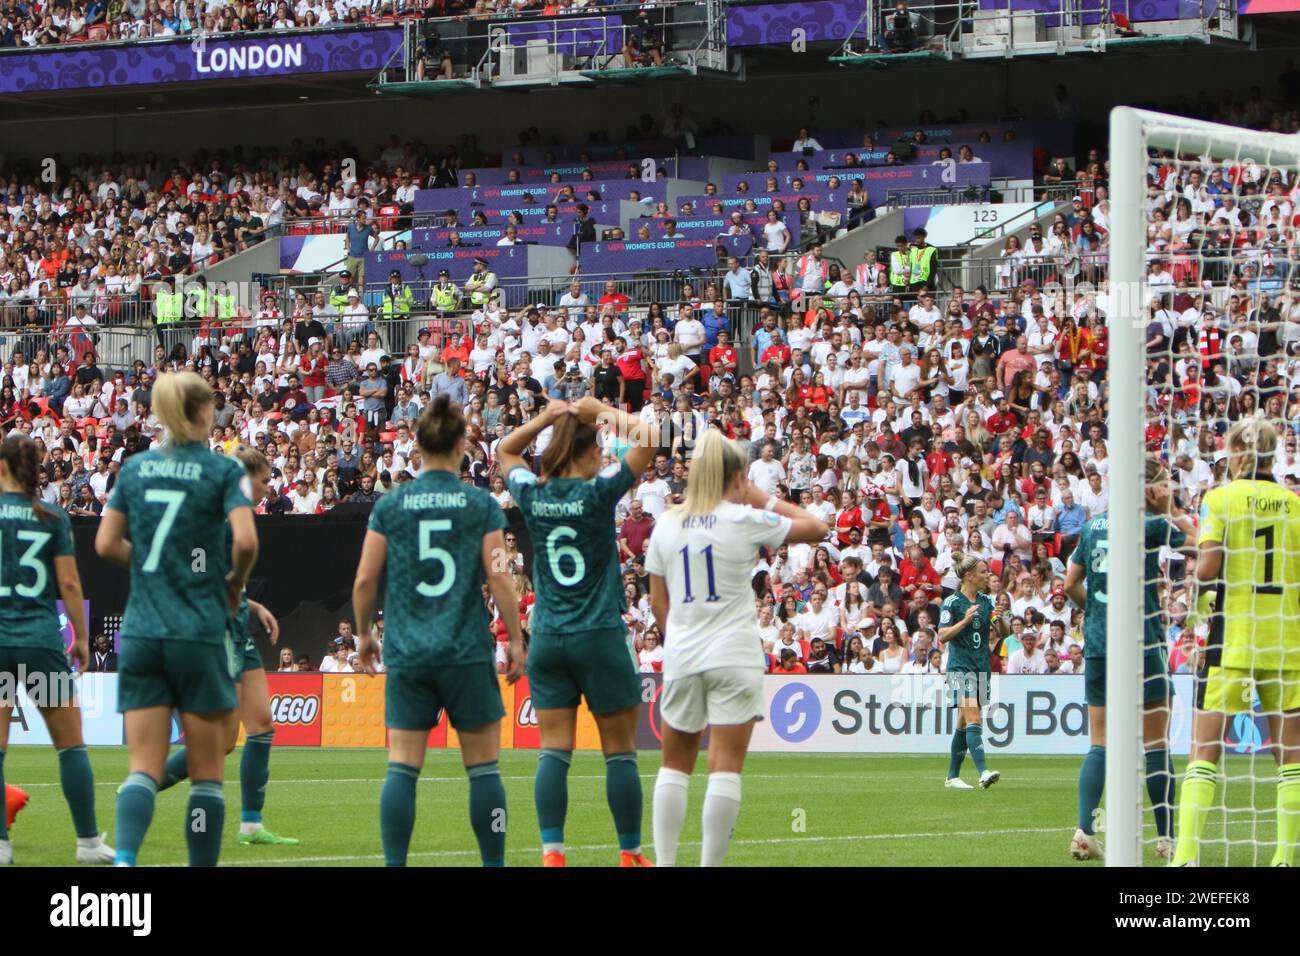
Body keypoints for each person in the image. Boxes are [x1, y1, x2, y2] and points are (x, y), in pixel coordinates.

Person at [352, 396, 526, 867]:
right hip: (465, 648)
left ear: (419, 444)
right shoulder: (480, 503)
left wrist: (365, 635)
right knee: (484, 767)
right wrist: (514, 636)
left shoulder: (392, 504)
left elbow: (366, 579)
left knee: (403, 767)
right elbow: (499, 575)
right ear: (463, 444)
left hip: (409, 650)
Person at [94, 372, 258, 867]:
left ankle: (124, 860)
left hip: (143, 630)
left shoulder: (137, 468)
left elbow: (104, 543)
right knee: (207, 774)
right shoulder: (223, 471)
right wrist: (232, 584)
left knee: (142, 767)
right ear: (203, 410)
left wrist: (151, 561)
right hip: (198, 631)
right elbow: (246, 542)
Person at [647, 428, 829, 866]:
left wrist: (682, 639)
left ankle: (666, 863)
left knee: (674, 765)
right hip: (734, 653)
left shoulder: (666, 523)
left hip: (685, 652)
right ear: (734, 478)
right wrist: (759, 497)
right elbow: (818, 527)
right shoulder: (745, 519)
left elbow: (657, 603)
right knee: (724, 766)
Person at [499, 396, 656, 867]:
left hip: (546, 635)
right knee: (620, 753)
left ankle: (553, 853)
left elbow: (505, 451)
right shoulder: (598, 492)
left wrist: (546, 418)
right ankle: (629, 852)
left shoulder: (533, 492)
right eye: (599, 451)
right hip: (599, 633)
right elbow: (651, 437)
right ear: (590, 455)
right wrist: (601, 409)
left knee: (554, 752)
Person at [151, 445, 298, 846]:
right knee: (222, 741)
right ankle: (142, 785)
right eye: (264, 480)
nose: (269, 489)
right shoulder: (215, 519)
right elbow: (199, 576)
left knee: (262, 724)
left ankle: (251, 824)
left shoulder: (237, 517)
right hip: (216, 633)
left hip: (236, 629)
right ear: (243, 478)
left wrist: (254, 604)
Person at [1174, 417, 1300, 868]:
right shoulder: (1294, 505)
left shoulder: (1221, 499)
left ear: (1238, 453)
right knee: (1290, 755)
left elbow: (1207, 571)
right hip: (1286, 641)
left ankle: (1186, 857)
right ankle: (1285, 858)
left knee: (1205, 748)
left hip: (1234, 639)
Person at [1064, 457, 1192, 862]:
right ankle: (1167, 838)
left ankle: (1083, 830)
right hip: (1143, 641)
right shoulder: (1149, 525)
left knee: (1099, 741)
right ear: (1149, 489)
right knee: (1155, 741)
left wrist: (1098, 615)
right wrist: (1169, 508)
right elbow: (1198, 541)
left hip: (1100, 643)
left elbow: (1070, 584)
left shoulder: (1091, 526)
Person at [0, 435, 113, 866]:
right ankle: (86, 843)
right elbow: (68, 584)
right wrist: (81, 639)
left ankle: (2, 847)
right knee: (70, 747)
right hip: (41, 643)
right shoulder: (52, 516)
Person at [937, 556, 1011, 790]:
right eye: (983, 572)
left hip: (981, 667)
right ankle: (983, 772)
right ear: (969, 576)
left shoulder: (985, 600)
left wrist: (999, 618)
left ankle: (952, 776)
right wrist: (965, 621)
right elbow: (942, 635)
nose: (987, 576)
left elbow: (1005, 633)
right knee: (975, 719)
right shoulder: (952, 603)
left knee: (963, 722)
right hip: (960, 668)